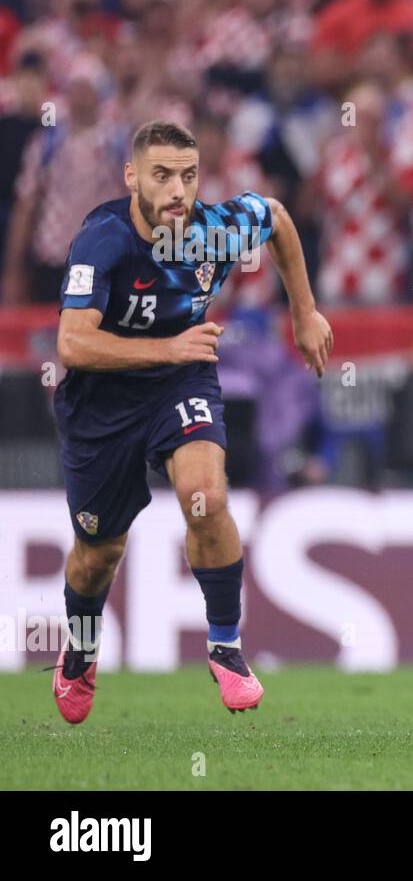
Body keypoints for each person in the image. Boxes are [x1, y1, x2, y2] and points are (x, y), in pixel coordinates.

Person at [51, 120, 333, 722]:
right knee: (99, 551)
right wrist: (166, 348)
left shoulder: (213, 229)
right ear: (132, 177)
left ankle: (226, 646)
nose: (178, 190)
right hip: (101, 400)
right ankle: (80, 647)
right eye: (161, 176)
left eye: (188, 175)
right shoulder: (103, 239)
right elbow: (73, 344)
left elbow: (278, 218)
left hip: (182, 381)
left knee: (205, 495)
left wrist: (304, 313)